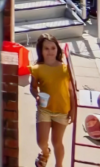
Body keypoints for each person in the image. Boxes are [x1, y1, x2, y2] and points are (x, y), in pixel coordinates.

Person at [30, 33, 77, 167]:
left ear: (57, 49)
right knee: (41, 141)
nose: (50, 51)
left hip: (62, 110)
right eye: (46, 48)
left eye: (53, 48)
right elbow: (32, 87)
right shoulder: (37, 69)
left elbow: (71, 91)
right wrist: (36, 95)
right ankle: (45, 152)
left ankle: (59, 165)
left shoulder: (65, 68)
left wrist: (73, 110)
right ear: (41, 50)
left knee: (57, 142)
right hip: (44, 109)